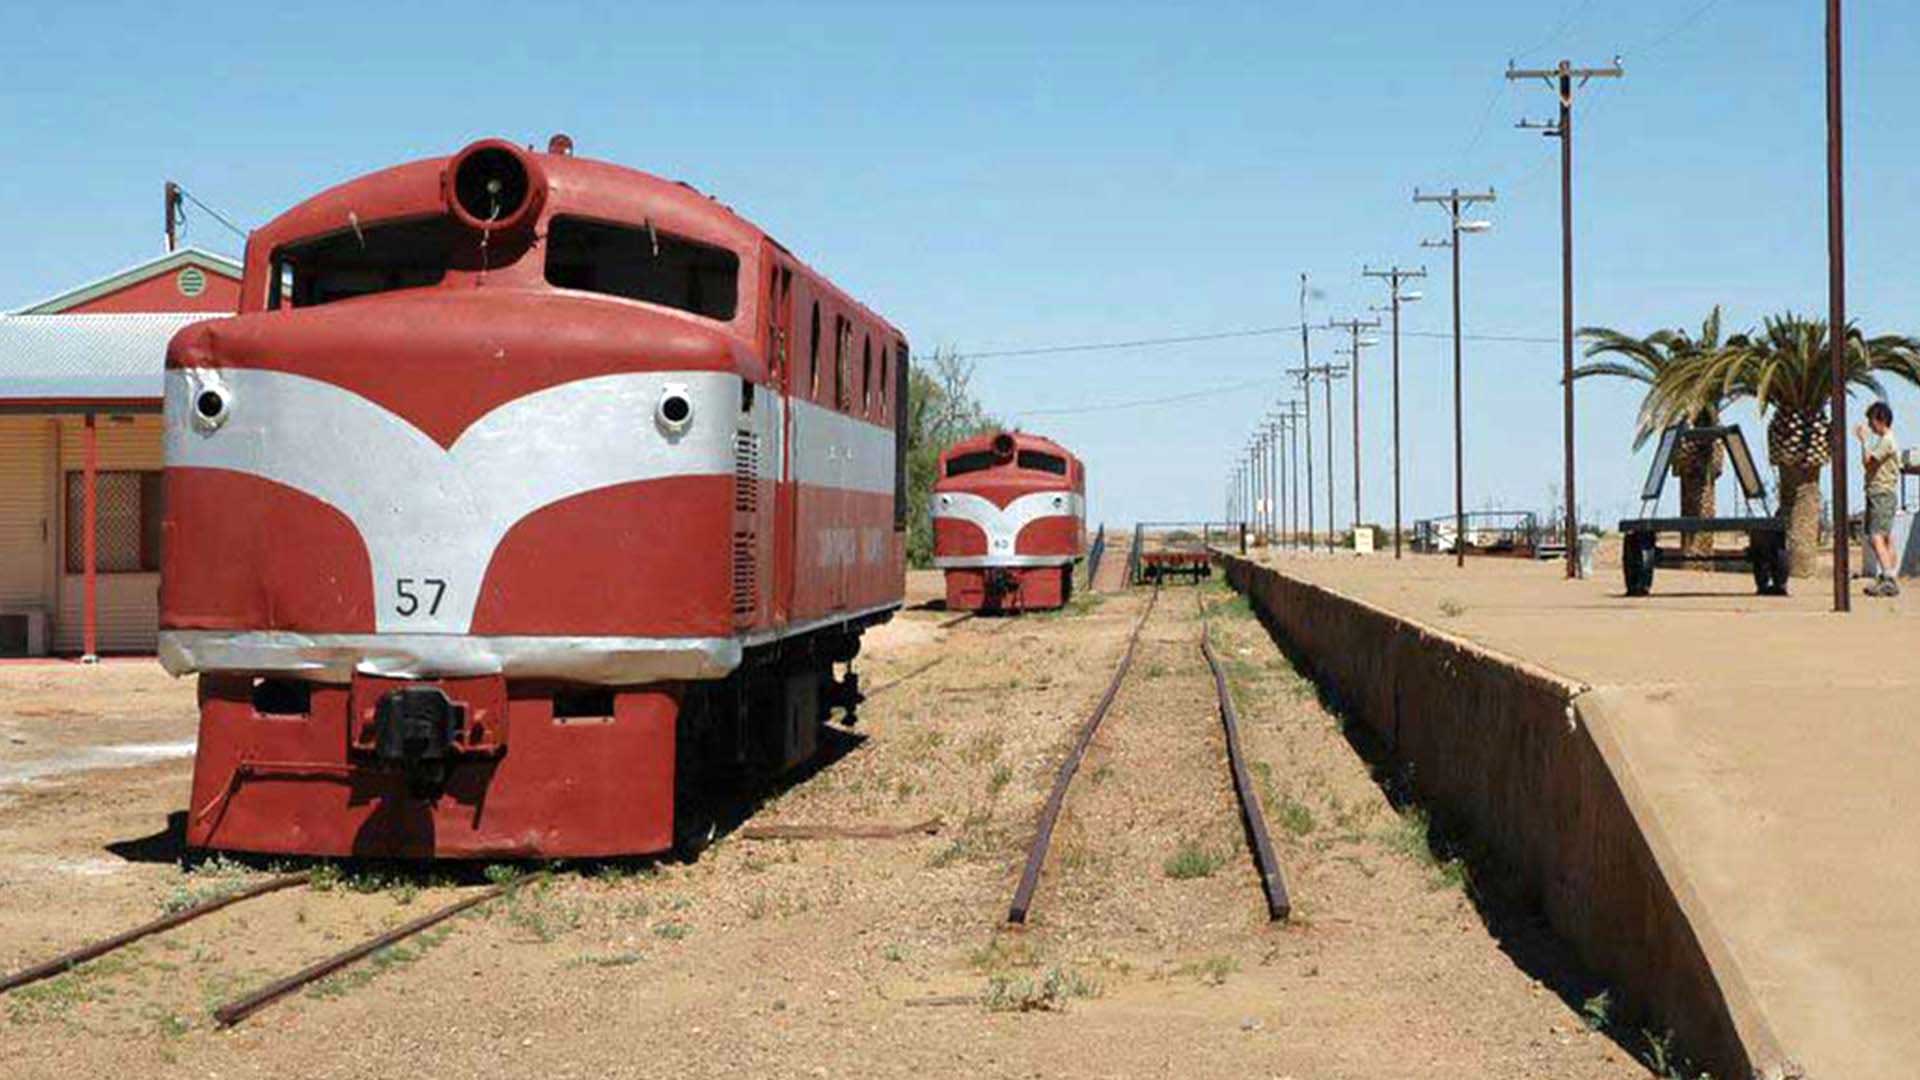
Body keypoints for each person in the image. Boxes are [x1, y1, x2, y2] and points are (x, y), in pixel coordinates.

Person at [1857, 400, 1901, 596]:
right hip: (1882, 493)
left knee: (1876, 537)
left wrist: (1864, 441)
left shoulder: (1886, 442)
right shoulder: (1887, 440)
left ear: (1880, 420)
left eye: (1871, 420)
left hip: (1881, 493)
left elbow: (1869, 464)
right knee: (1885, 537)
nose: (1870, 425)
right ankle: (1888, 576)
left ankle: (1889, 579)